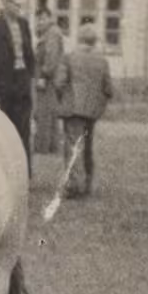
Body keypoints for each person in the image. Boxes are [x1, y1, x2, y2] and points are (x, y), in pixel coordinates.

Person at [55, 23, 114, 198]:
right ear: (95, 41)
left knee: (73, 147)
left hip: (73, 108)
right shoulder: (102, 61)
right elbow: (108, 89)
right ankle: (88, 184)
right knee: (88, 147)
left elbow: (59, 82)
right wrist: (99, 103)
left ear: (79, 39)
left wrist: (63, 98)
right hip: (92, 111)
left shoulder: (69, 57)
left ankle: (74, 186)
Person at [0, 0, 36, 165]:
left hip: (22, 81)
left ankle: (24, 170)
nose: (19, 8)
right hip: (4, 85)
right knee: (4, 128)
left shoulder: (23, 24)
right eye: (16, 4)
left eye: (21, 5)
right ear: (5, 4)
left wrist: (30, 76)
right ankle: (6, 168)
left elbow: (29, 52)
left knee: (24, 128)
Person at [33, 6, 65, 156]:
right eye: (38, 18)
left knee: (44, 113)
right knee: (50, 113)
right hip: (50, 78)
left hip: (48, 79)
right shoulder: (50, 33)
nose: (39, 22)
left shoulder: (52, 34)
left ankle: (43, 148)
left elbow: (51, 58)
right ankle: (52, 147)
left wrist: (43, 77)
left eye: (43, 18)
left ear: (50, 18)